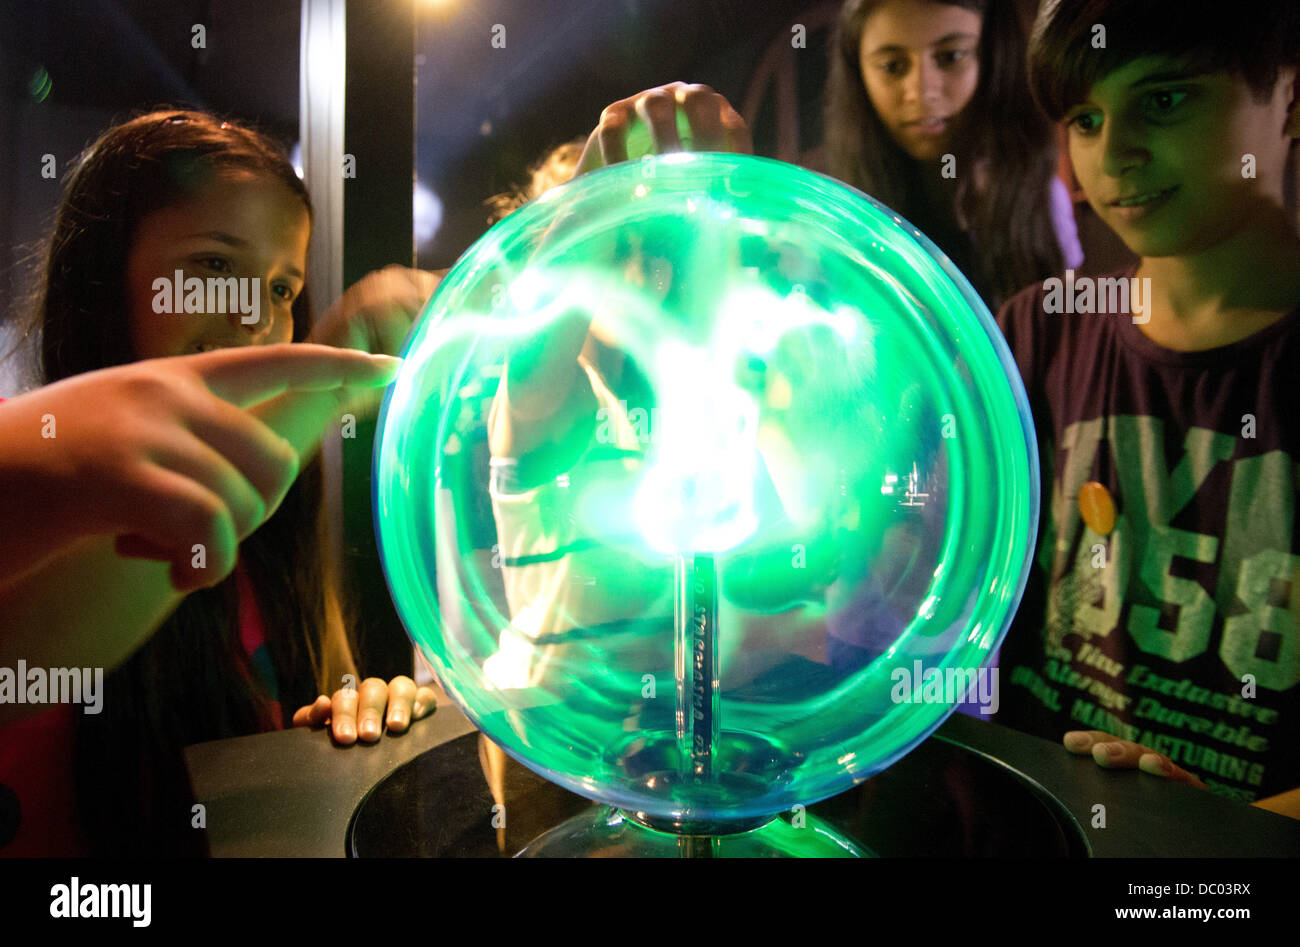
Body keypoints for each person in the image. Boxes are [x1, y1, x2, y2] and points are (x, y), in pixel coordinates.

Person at [0, 110, 437, 855]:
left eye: (281, 287)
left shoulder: (275, 526)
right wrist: (326, 380)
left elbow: (314, 702)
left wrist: (358, 709)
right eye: (211, 266)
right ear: (104, 278)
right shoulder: (29, 486)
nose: (254, 316)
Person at [992, 0, 1300, 819]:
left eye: (1165, 100)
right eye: (1086, 119)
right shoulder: (1036, 331)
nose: (1114, 154)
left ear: (1291, 100)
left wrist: (1224, 831)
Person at [824, 0, 1082, 308]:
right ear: (859, 73)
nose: (922, 92)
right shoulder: (833, 217)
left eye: (951, 56)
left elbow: (1067, 337)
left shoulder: (1042, 200)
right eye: (893, 66)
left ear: (994, 57)